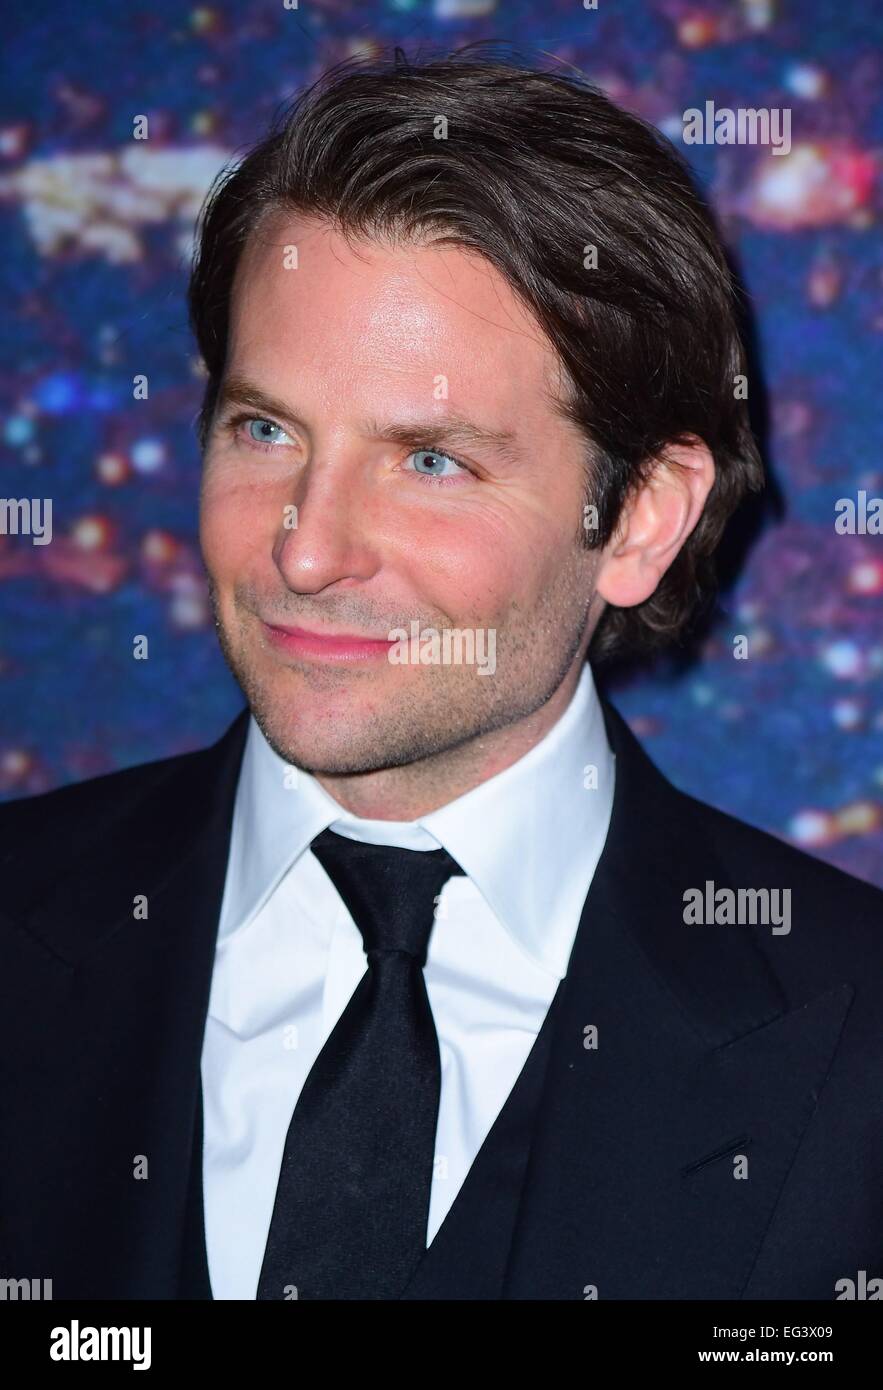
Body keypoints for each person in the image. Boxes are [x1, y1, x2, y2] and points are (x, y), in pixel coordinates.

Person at [2, 48, 881, 1302]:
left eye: (428, 461)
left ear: (637, 518)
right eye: (266, 431)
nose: (305, 547)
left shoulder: (855, 1052)